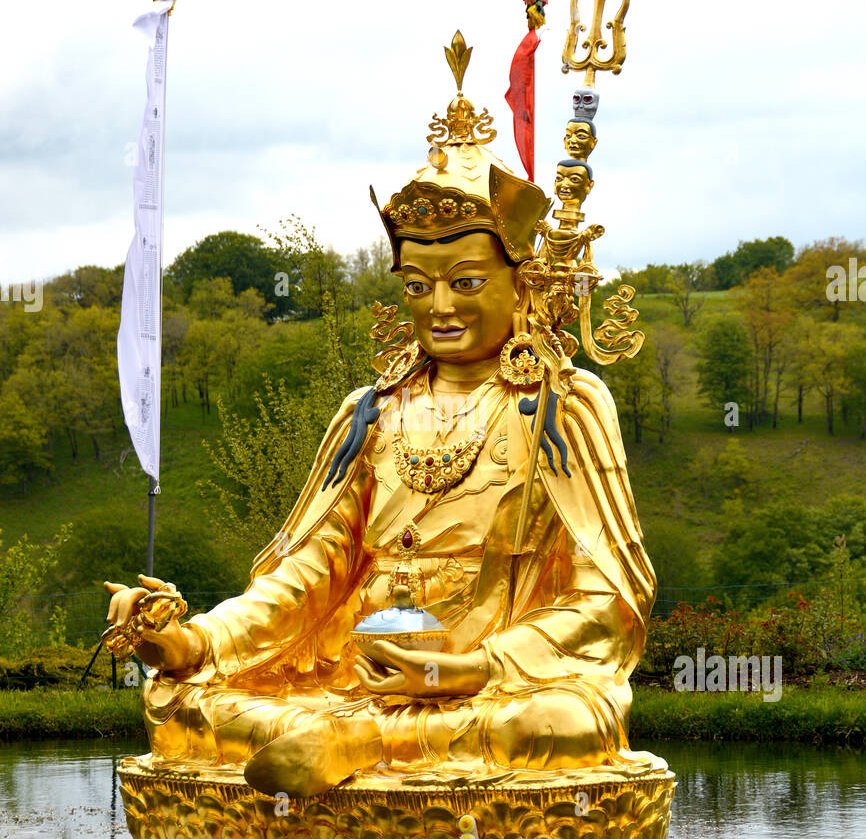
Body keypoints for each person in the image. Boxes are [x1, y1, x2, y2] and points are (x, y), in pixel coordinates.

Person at [105, 55, 661, 798]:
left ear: (521, 283)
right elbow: (308, 576)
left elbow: (608, 601)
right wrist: (192, 638)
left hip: (495, 691)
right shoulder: (371, 411)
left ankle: (366, 746)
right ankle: (357, 742)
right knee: (182, 703)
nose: (439, 307)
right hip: (353, 679)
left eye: (466, 283)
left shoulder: (564, 406)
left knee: (560, 728)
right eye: (416, 285)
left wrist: (474, 667)